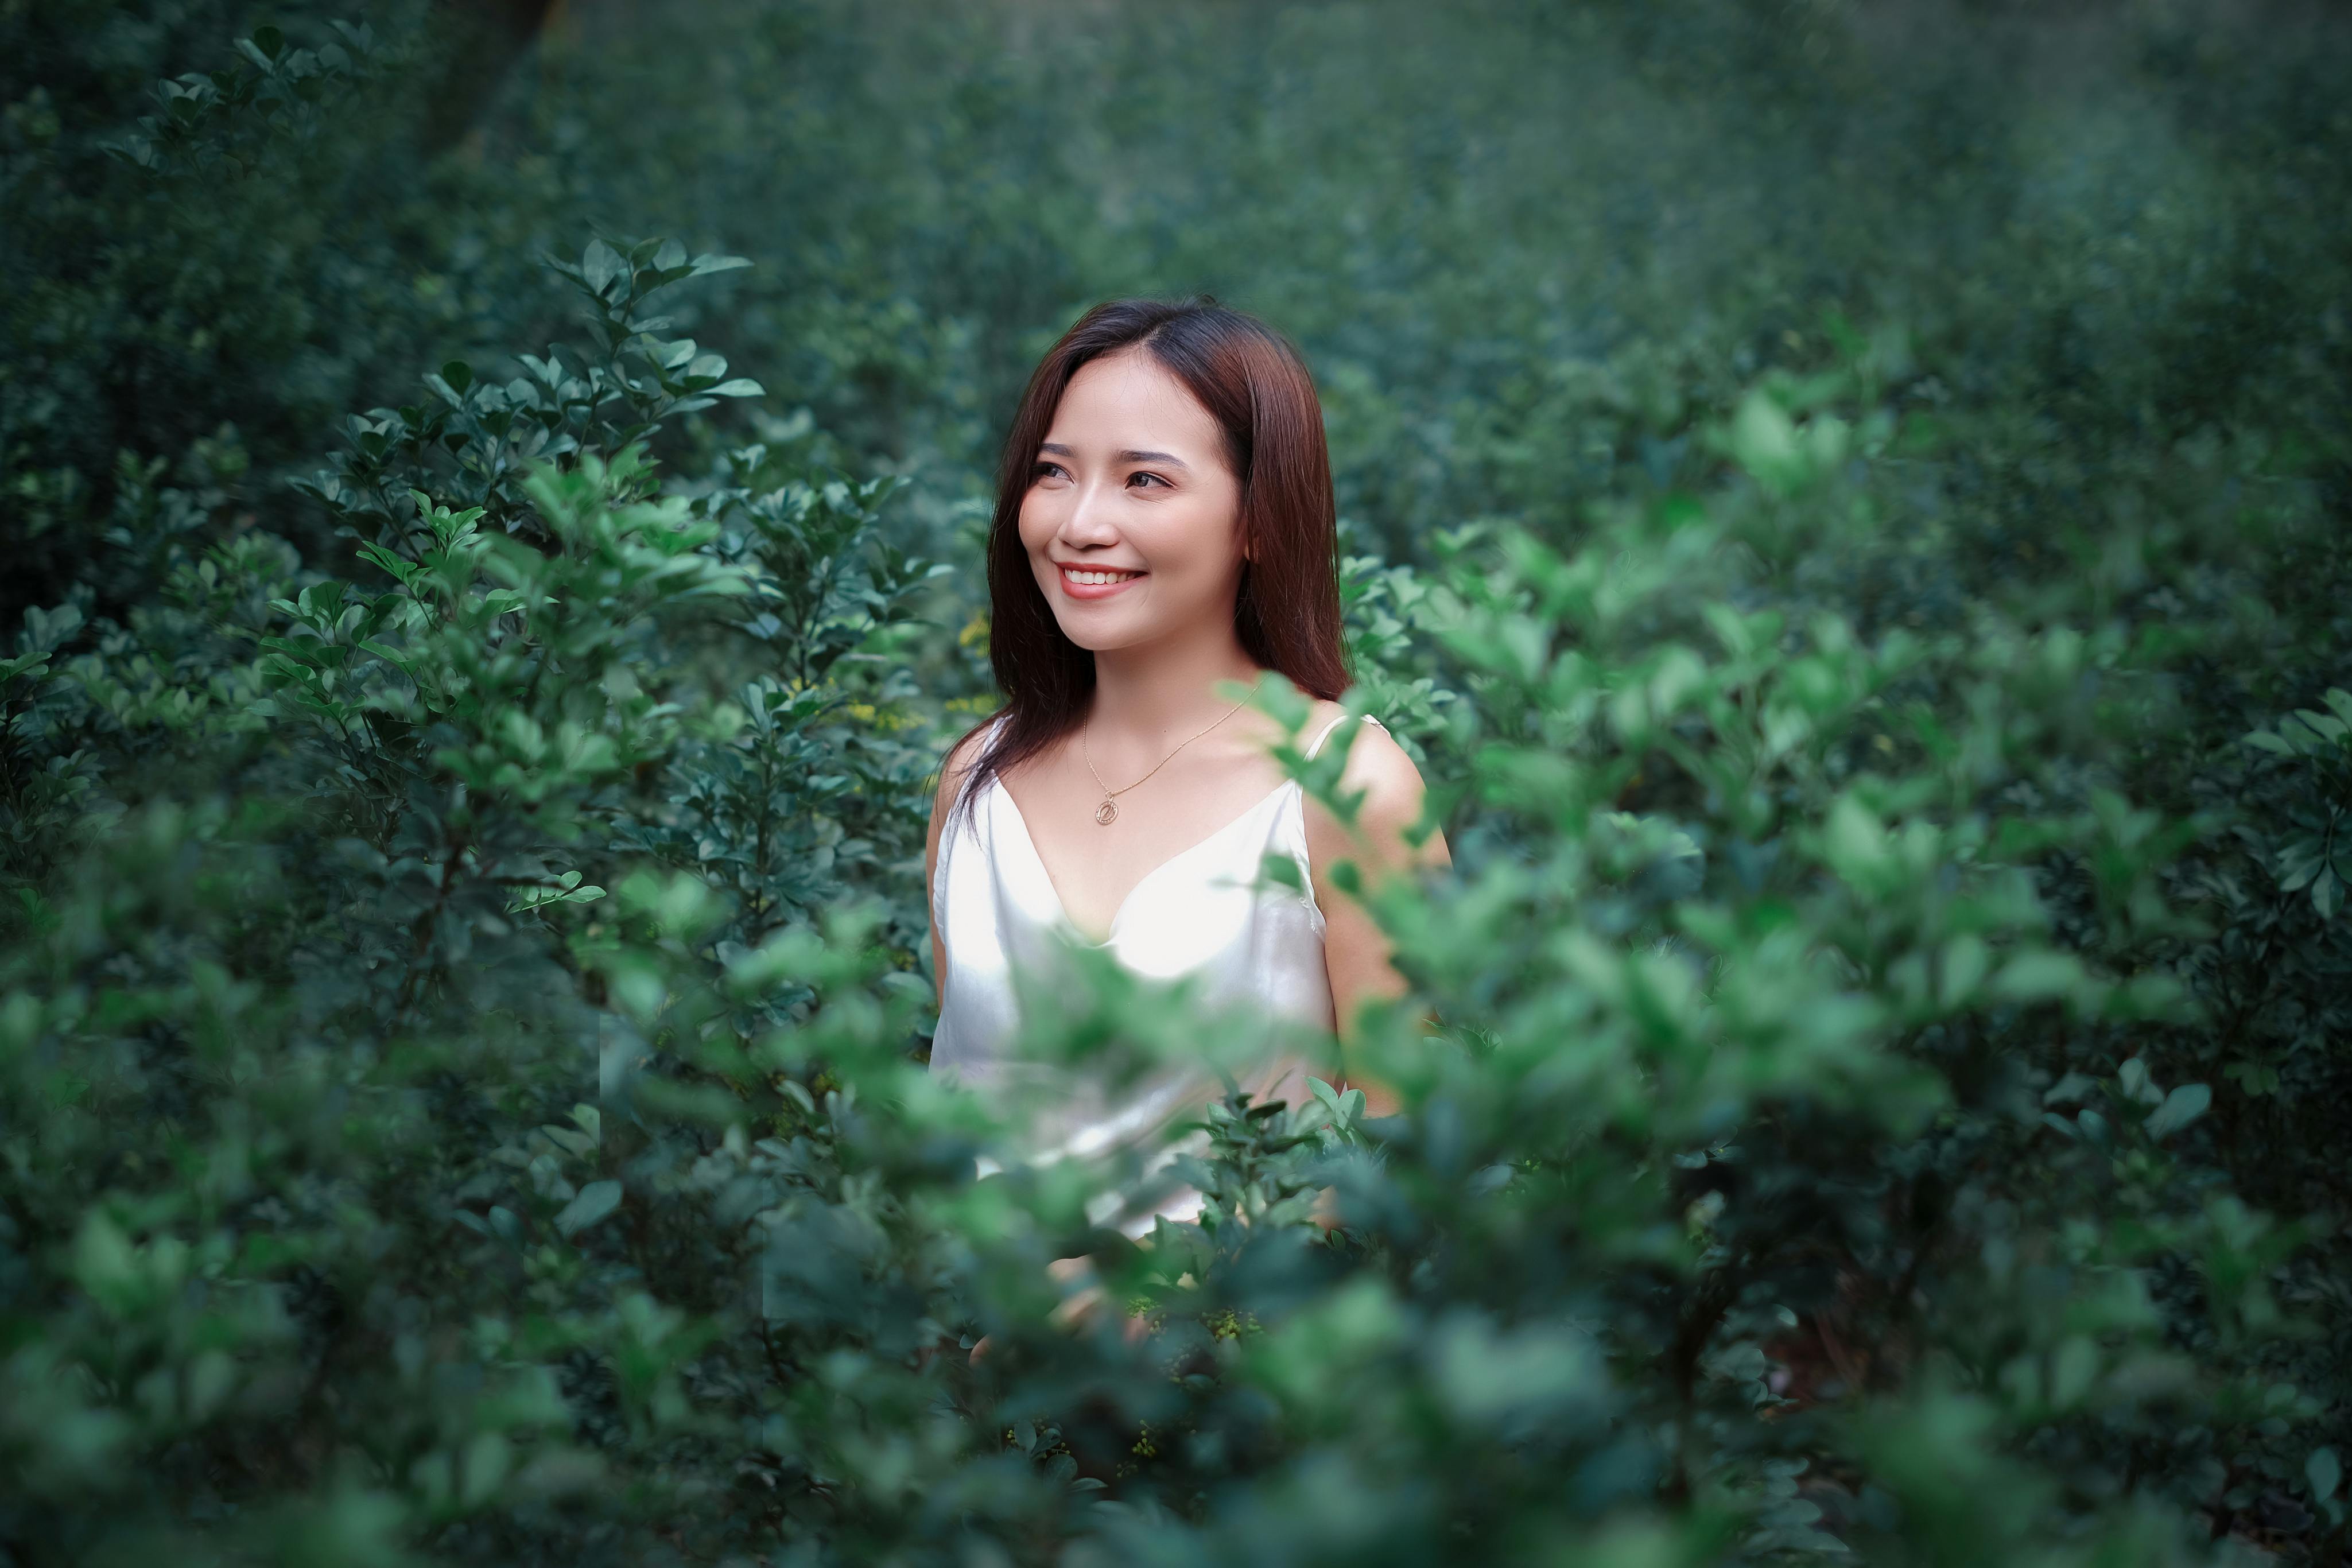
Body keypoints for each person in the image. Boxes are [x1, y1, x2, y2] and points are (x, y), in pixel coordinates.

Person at [923, 296, 1449, 1243]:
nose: (1080, 523)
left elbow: (1398, 1165)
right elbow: (961, 1124)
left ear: (1258, 519)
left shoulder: (1345, 787)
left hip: (1236, 1331)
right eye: (1053, 472)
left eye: (1144, 481)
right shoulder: (976, 782)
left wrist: (1152, 1303)